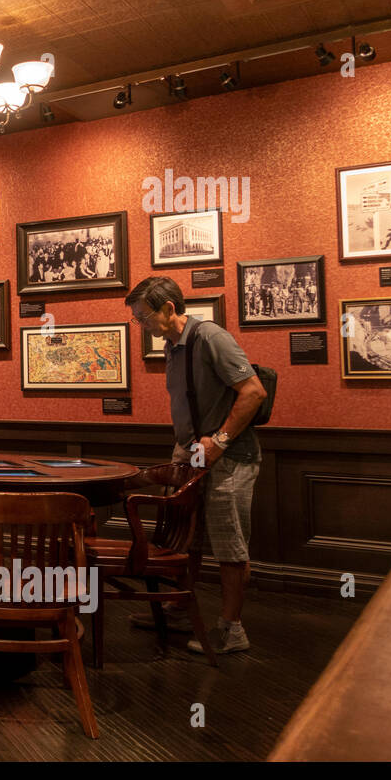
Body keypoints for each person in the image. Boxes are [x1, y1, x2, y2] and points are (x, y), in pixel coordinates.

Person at [126, 276, 266, 654]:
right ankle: (179, 609)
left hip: (228, 460)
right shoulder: (173, 345)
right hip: (191, 456)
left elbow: (253, 392)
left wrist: (218, 441)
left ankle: (231, 629)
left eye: (144, 317)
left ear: (169, 309)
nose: (142, 326)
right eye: (137, 319)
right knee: (187, 539)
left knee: (229, 545)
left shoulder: (210, 338)